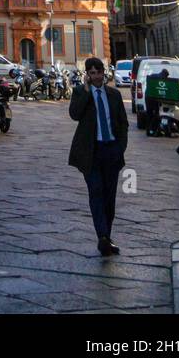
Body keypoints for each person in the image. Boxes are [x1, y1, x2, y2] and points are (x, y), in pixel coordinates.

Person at [68, 55, 129, 256]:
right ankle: (102, 236)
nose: (95, 76)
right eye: (92, 73)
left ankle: (107, 236)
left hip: (111, 150)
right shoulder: (80, 92)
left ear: (104, 73)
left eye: (98, 72)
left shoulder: (114, 94)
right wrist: (86, 91)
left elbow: (123, 123)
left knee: (109, 197)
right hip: (91, 152)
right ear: (87, 75)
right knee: (96, 192)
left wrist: (120, 148)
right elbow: (75, 114)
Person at [146, 67, 170, 136]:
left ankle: (149, 131)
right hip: (154, 98)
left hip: (148, 97)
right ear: (165, 74)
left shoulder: (153, 75)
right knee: (155, 115)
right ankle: (154, 130)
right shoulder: (161, 78)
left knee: (149, 114)